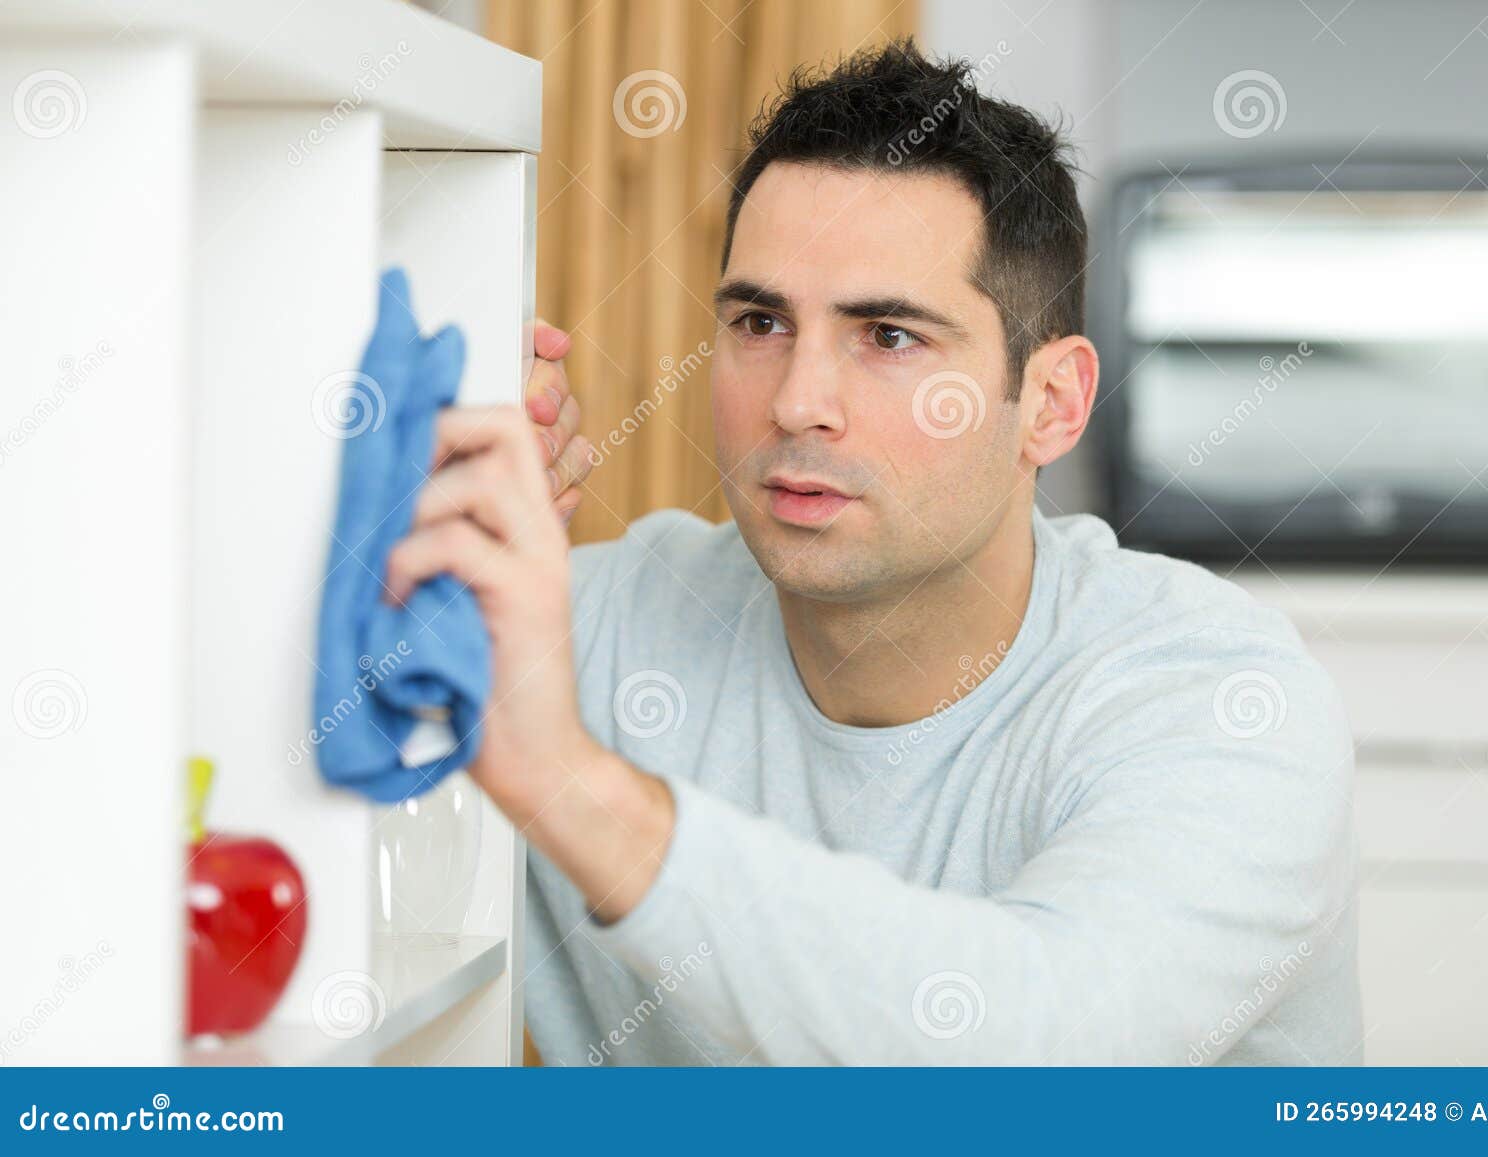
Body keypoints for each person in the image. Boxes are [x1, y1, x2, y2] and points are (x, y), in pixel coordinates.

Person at [384, 39, 1363, 1065]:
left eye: (889, 336)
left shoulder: (1221, 699)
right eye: (760, 321)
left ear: (1052, 401)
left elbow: (1047, 1047)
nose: (797, 401)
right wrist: (410, 523)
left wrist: (572, 786)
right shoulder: (589, 630)